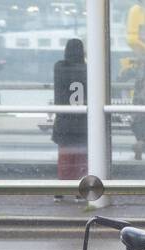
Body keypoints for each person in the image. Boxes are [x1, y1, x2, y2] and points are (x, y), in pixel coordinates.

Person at [52, 39, 88, 182]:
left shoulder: (59, 67)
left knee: (65, 157)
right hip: (83, 121)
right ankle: (79, 188)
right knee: (81, 157)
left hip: (64, 120)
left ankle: (62, 186)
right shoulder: (87, 70)